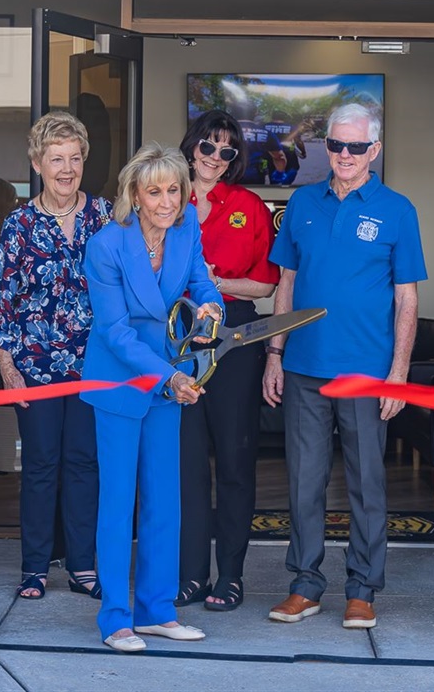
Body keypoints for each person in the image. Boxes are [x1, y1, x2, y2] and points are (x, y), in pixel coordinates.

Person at [263, 102, 426, 631]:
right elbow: (285, 284)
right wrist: (275, 353)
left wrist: (399, 374)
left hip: (366, 373)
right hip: (306, 369)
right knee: (304, 483)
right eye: (336, 145)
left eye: (357, 146)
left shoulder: (398, 209)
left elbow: (407, 299)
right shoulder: (301, 204)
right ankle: (305, 585)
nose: (345, 155)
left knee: (366, 484)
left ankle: (362, 589)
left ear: (374, 149)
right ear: (325, 147)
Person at [80, 143, 223, 652]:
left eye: (175, 190)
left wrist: (210, 311)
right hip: (122, 383)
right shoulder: (106, 245)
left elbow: (203, 284)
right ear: (134, 195)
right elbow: (116, 332)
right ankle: (116, 618)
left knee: (165, 502)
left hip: (170, 384)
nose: (167, 201)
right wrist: (170, 377)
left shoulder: (187, 230)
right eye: (155, 191)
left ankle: (157, 611)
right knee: (118, 505)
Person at [0, 112, 112, 600]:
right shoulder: (19, 224)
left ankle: (82, 565)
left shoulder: (105, 215)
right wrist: (8, 370)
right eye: (56, 158)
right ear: (37, 163)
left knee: (84, 463)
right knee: (40, 464)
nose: (66, 168)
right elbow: (1, 302)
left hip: (95, 368)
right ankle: (35, 566)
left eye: (74, 158)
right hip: (35, 369)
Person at [176, 111, 278, 612]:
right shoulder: (165, 197)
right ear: (192, 146)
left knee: (235, 464)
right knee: (185, 466)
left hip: (236, 339)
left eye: (227, 152)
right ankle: (190, 575)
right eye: (208, 147)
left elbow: (266, 284)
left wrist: (214, 282)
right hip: (177, 342)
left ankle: (230, 576)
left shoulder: (248, 207)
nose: (215, 158)